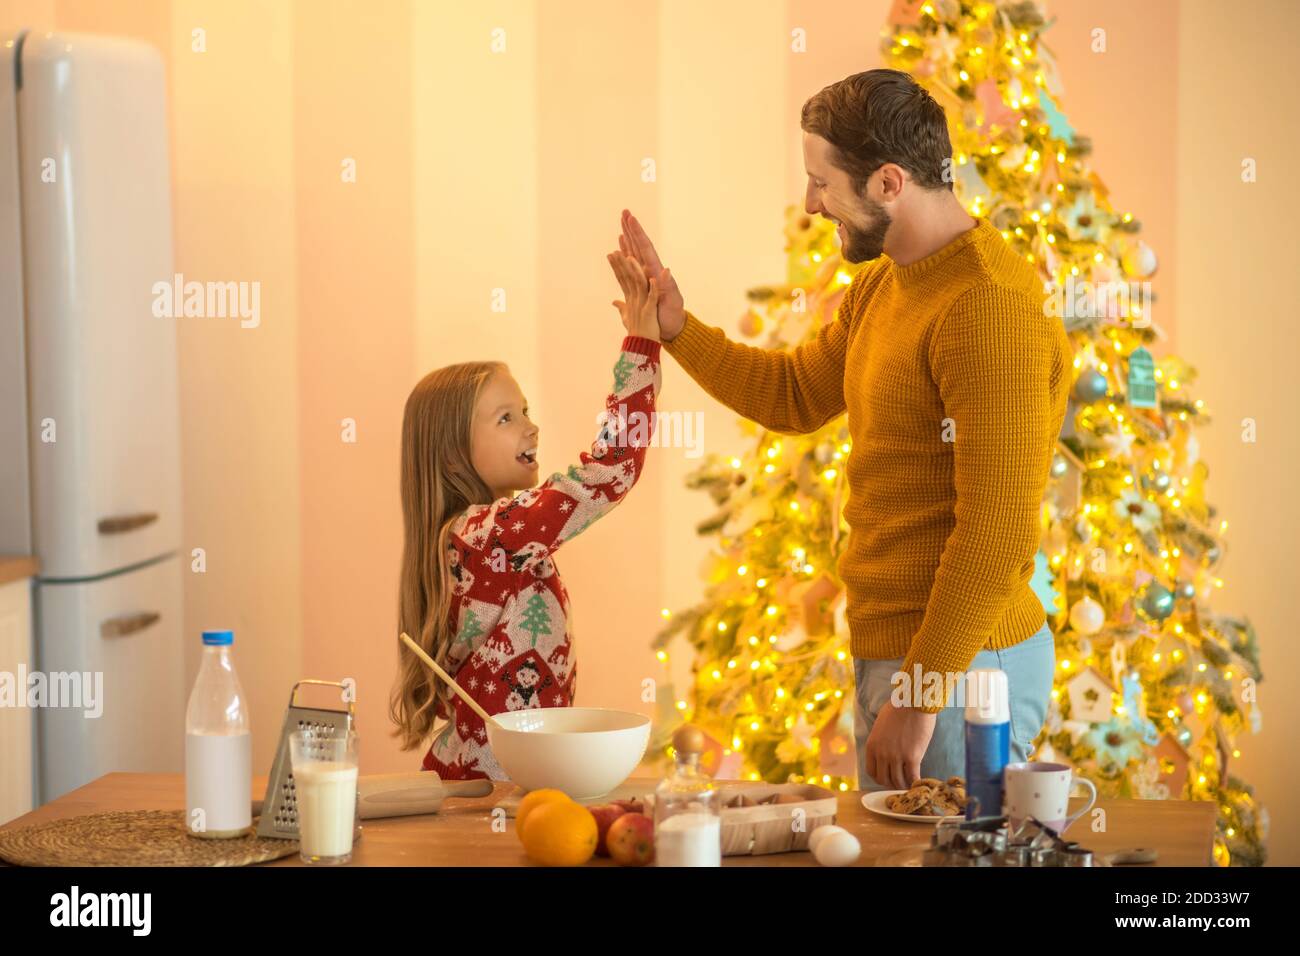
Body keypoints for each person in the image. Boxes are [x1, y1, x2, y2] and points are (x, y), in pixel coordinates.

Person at [617, 68, 1073, 792]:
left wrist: (921, 695)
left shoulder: (987, 307)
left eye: (821, 183)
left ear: (889, 182)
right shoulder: (886, 285)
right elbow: (793, 394)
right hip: (907, 662)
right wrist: (676, 326)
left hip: (962, 672)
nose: (809, 204)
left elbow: (997, 531)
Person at [388, 252, 663, 779]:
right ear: (452, 456)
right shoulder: (490, 534)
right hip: (488, 791)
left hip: (501, 781)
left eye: (526, 411)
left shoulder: (471, 537)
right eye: (506, 418)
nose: (530, 428)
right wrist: (642, 345)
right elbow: (612, 469)